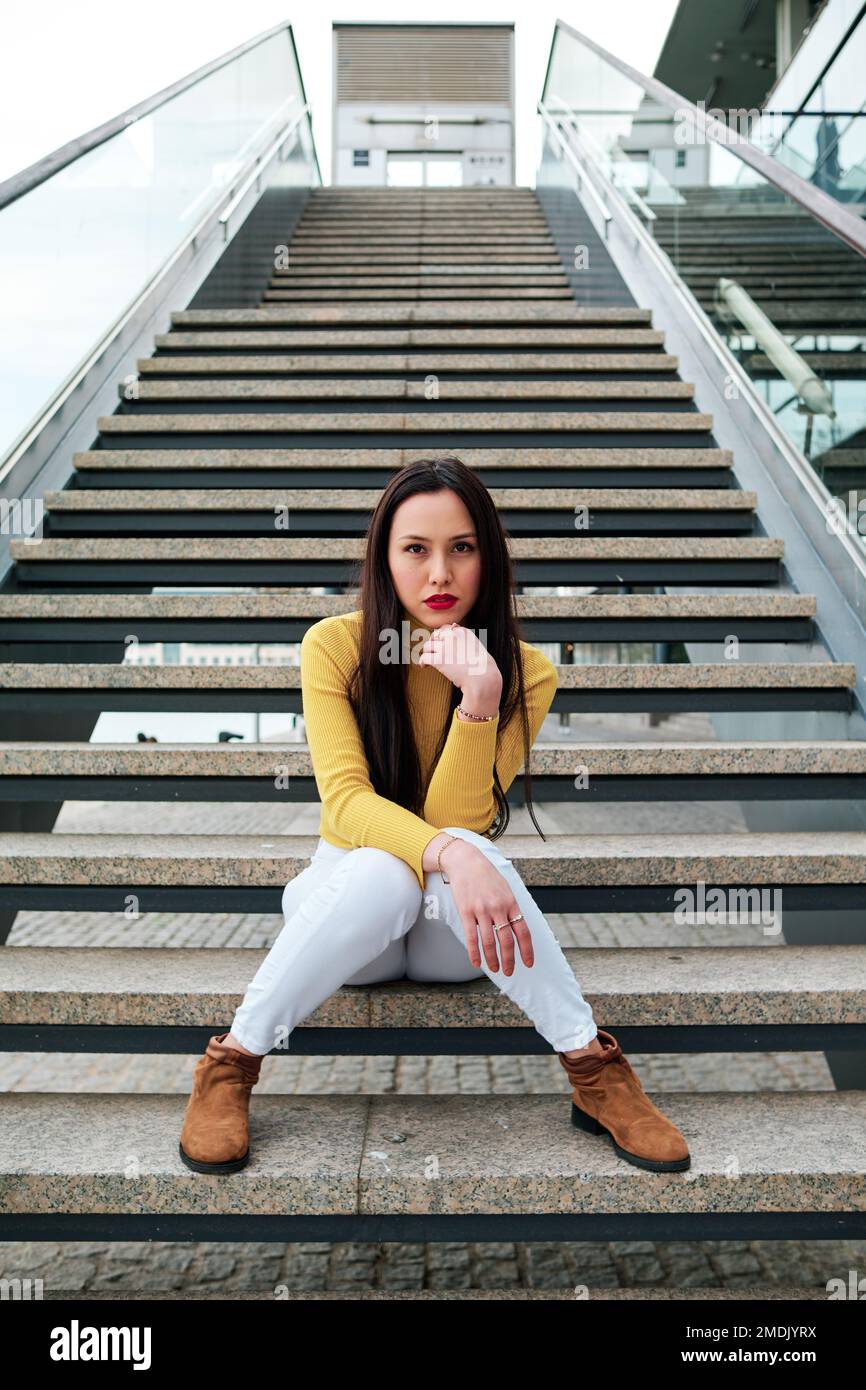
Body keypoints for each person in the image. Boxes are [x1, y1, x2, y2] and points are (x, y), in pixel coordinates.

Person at [178, 457, 690, 1178]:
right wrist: (456, 854)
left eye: (462, 548)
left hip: (454, 938)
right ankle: (230, 1066)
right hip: (355, 920)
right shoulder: (334, 647)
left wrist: (480, 696)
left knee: (459, 858)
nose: (440, 574)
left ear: (488, 556)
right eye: (416, 549)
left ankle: (595, 1074)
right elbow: (348, 805)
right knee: (394, 870)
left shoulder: (528, 672)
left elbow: (460, 815)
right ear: (386, 560)